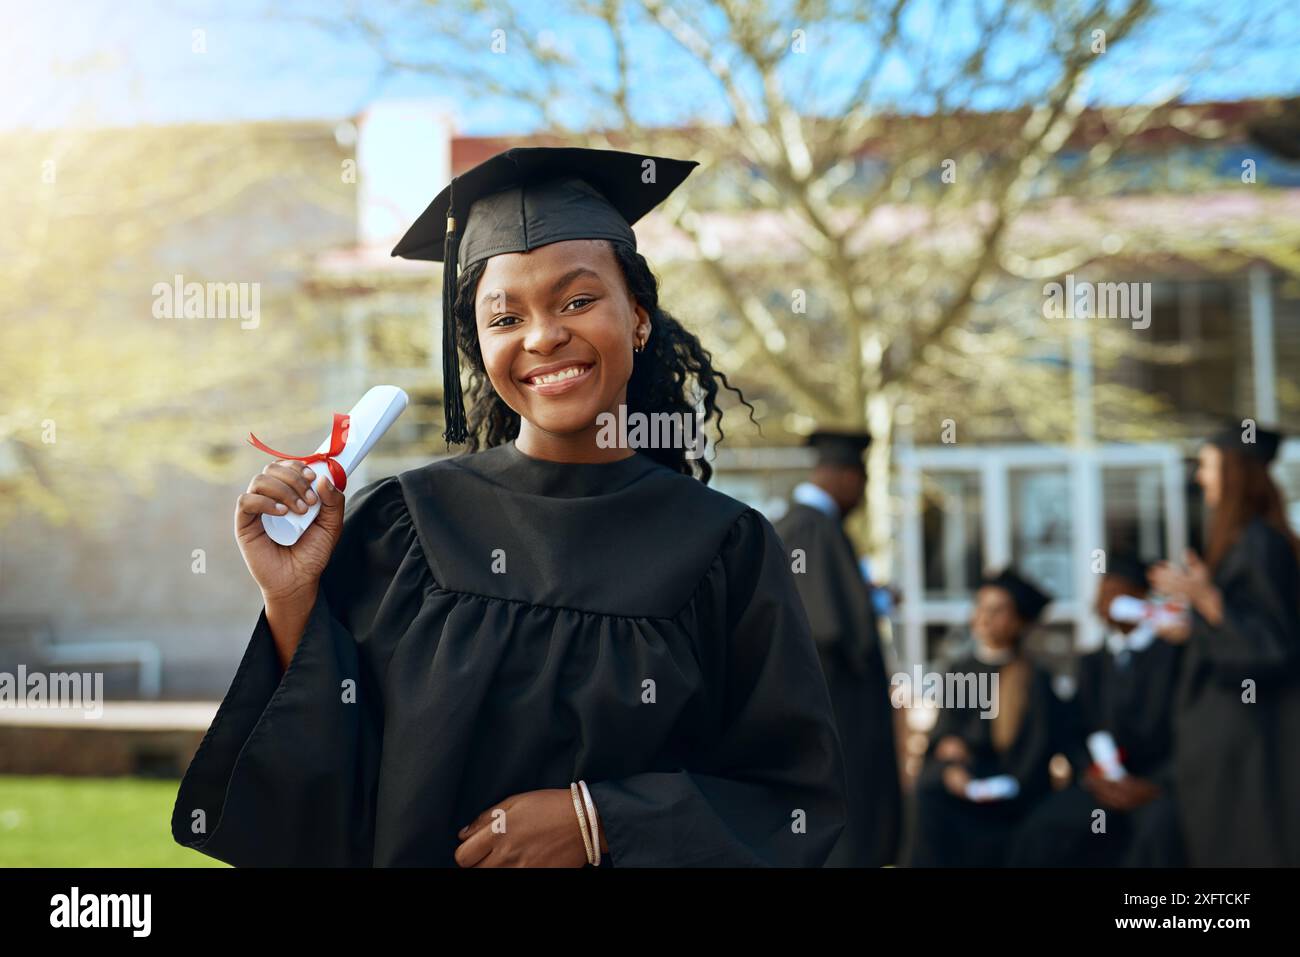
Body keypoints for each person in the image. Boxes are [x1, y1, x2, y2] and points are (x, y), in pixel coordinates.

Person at [171, 147, 848, 867]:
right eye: (505, 317)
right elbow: (327, 784)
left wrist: (599, 821)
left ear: (640, 318)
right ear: (478, 347)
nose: (542, 335)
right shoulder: (403, 525)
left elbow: (794, 802)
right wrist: (291, 599)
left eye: (578, 300)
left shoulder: (724, 549)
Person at [1148, 422, 1300, 866]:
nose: (1201, 478)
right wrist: (1194, 625)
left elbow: (1272, 646)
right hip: (1230, 734)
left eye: (1209, 466)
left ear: (1234, 472)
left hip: (1250, 740)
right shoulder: (1242, 542)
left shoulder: (1259, 543)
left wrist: (1207, 599)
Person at [773, 430, 902, 867]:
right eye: (862, 482)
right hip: (837, 707)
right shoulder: (811, 527)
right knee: (847, 824)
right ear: (847, 477)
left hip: (835, 705)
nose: (862, 495)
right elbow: (823, 628)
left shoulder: (808, 526)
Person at [1008, 555, 1184, 867]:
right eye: (1101, 594)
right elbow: (1076, 727)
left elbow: (1190, 729)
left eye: (1116, 593)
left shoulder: (1175, 657)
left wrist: (1155, 784)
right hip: (1102, 785)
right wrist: (1092, 775)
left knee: (1157, 833)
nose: (1104, 602)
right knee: (1045, 827)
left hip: (1159, 787)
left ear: (1141, 598)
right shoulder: (1092, 662)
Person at [907, 568, 1074, 867]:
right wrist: (950, 769)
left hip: (1015, 792)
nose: (984, 618)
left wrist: (1008, 784)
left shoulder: (1034, 679)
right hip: (965, 784)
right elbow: (944, 737)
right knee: (926, 795)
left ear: (1018, 620)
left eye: (997, 611)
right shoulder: (959, 670)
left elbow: (1039, 749)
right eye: (980, 608)